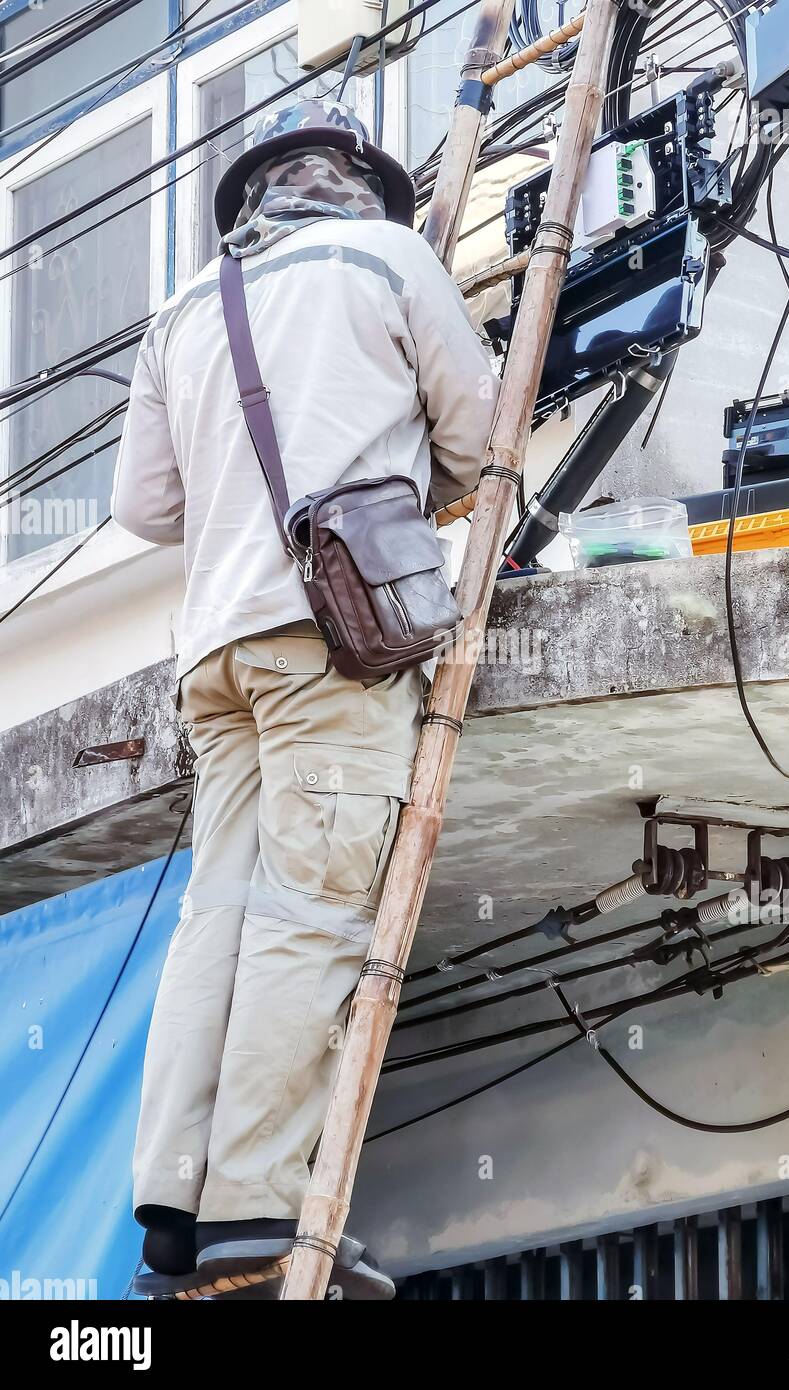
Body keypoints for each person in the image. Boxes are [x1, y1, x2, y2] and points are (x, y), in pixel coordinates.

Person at [111, 98, 498, 1296]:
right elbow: (485, 435)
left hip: (212, 656)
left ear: (254, 197)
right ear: (357, 182)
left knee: (216, 917)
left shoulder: (182, 311)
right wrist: (392, 484)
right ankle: (258, 1206)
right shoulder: (390, 254)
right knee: (315, 912)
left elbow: (142, 508)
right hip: (335, 641)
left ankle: (173, 1202)